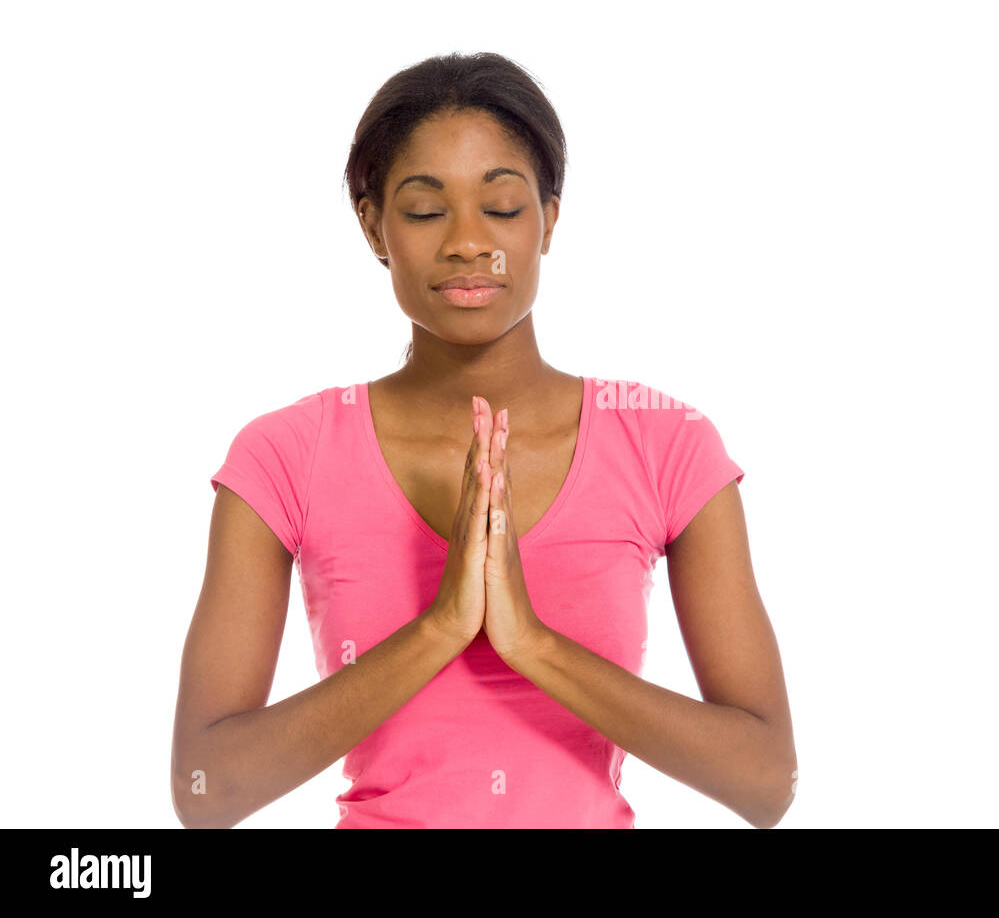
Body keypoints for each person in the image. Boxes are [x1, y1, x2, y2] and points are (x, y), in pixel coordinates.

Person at [171, 52, 797, 828]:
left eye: (501, 207)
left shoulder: (667, 443)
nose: (469, 243)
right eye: (427, 212)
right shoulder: (284, 455)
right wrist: (440, 628)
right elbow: (206, 791)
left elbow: (767, 783)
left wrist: (532, 643)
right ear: (374, 228)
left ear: (549, 221)